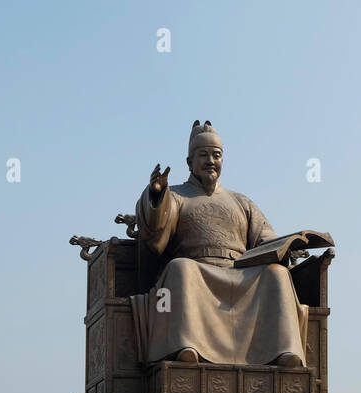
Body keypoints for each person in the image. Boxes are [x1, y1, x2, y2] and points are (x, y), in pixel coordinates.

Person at [130, 121, 309, 368]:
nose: (211, 161)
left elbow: (265, 239)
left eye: (217, 155)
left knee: (277, 274)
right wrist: (157, 194)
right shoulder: (178, 196)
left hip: (240, 272)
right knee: (180, 268)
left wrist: (287, 247)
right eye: (203, 155)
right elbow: (154, 230)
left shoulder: (241, 201)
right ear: (189, 162)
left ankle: (284, 351)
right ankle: (186, 346)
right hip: (198, 271)